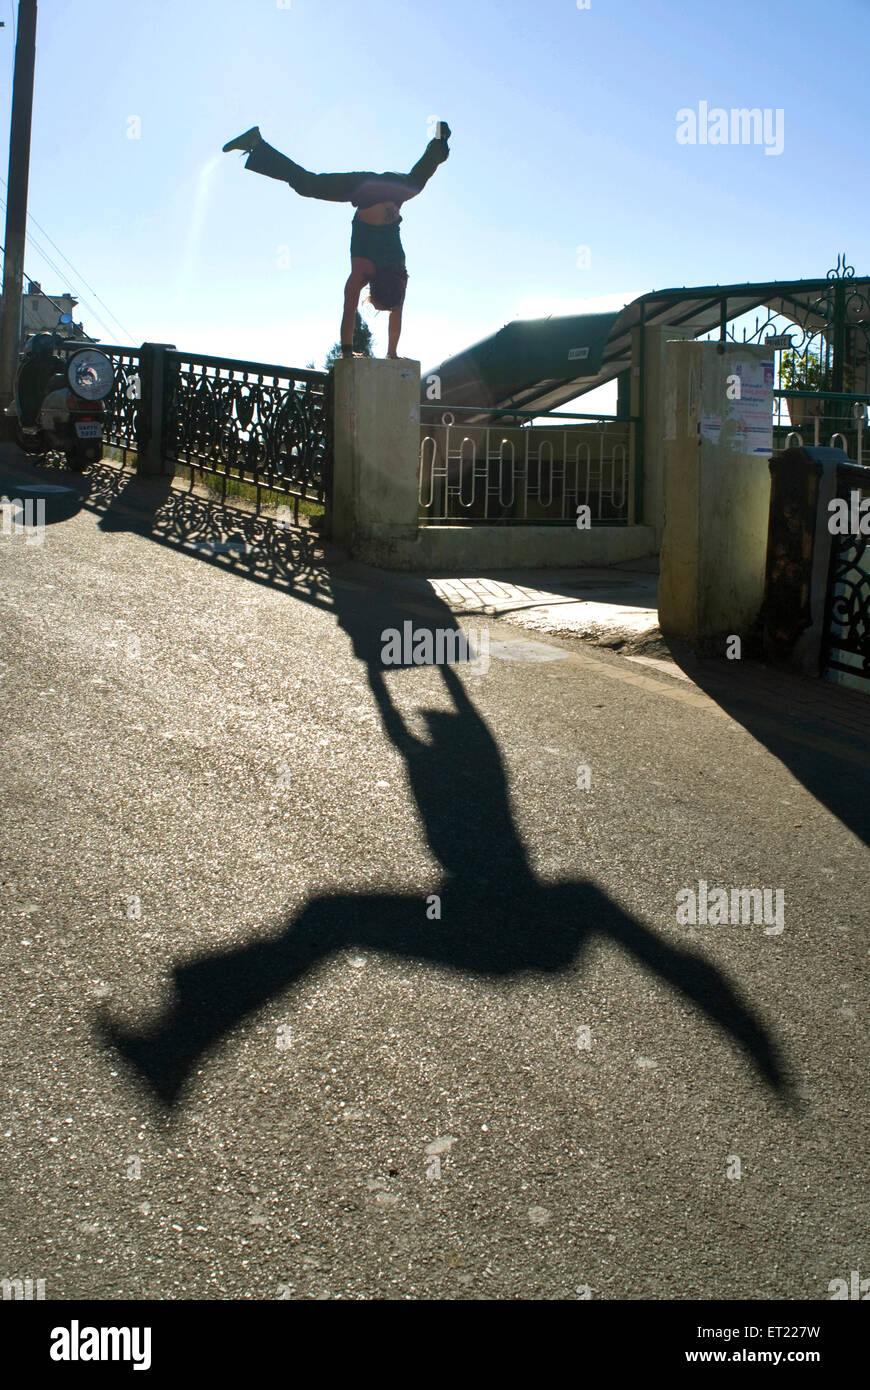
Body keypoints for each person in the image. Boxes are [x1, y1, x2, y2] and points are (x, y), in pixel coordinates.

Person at [222, 124, 451, 359]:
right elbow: (349, 309)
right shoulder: (363, 272)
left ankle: (440, 141)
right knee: (308, 184)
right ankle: (256, 144)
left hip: (393, 190)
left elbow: (387, 311)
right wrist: (349, 351)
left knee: (418, 177)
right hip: (369, 191)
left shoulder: (396, 273)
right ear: (375, 288)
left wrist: (385, 352)